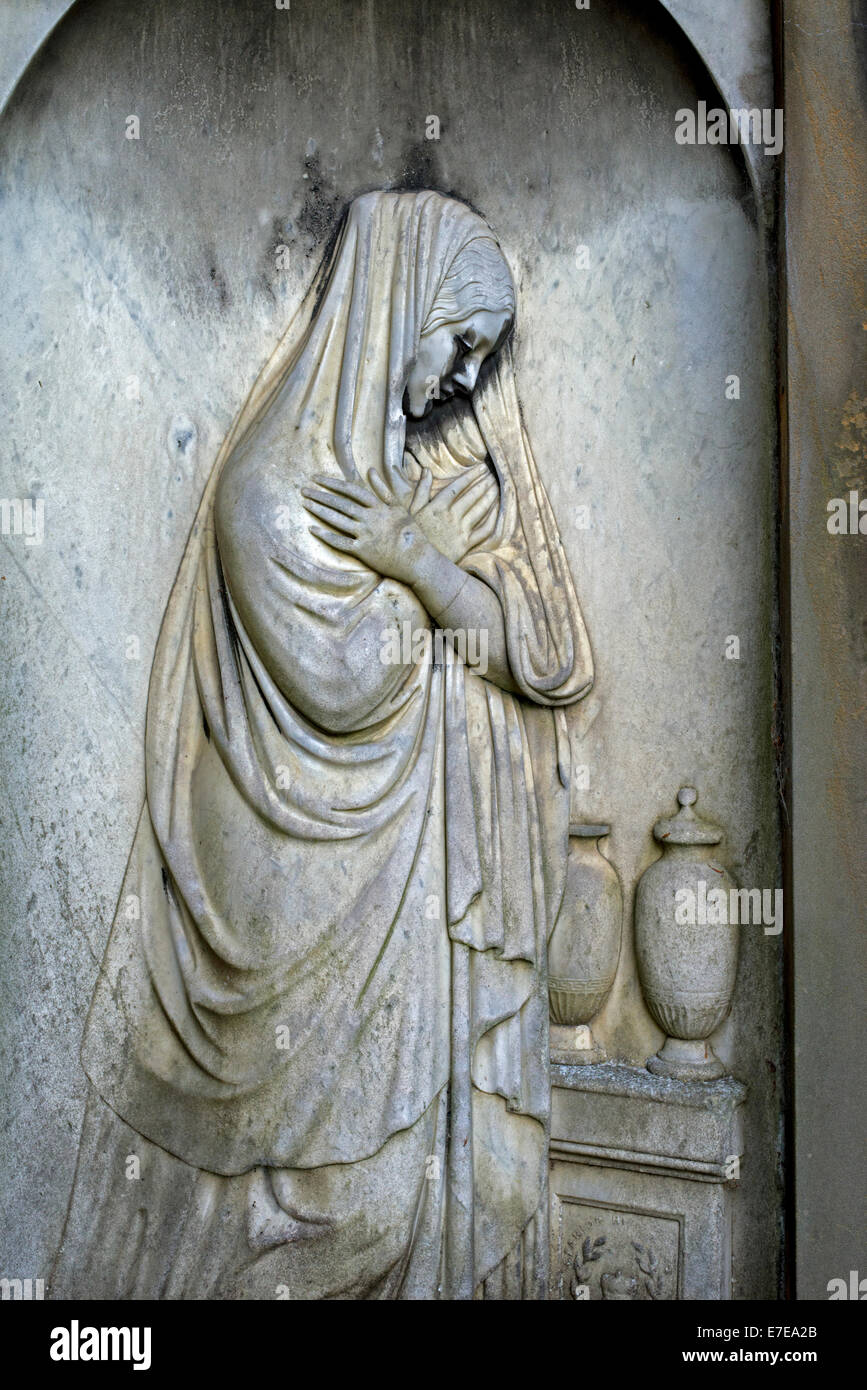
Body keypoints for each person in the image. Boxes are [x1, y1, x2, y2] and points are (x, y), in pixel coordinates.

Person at [53, 189, 594, 1300]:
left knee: (446, 1193)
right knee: (352, 1210)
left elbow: (516, 651)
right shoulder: (266, 486)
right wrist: (427, 572)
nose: (466, 381)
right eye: (462, 344)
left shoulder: (408, 498)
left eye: (488, 359)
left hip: (404, 913)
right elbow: (344, 682)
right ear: (401, 304)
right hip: (302, 912)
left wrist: (424, 562)